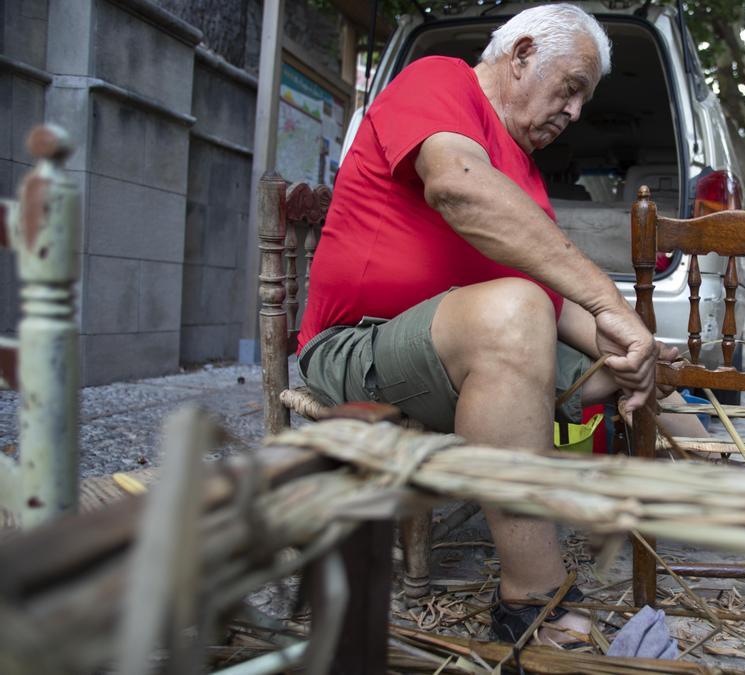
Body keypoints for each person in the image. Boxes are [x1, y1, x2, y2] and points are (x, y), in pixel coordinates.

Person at [296, 4, 702, 645]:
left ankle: (733, 492)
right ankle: (530, 603)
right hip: (358, 346)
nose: (573, 113)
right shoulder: (439, 82)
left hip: (450, 350)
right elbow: (459, 189)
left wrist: (633, 342)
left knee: (628, 360)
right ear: (521, 54)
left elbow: (558, 298)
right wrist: (609, 299)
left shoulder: (523, 172)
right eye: (570, 88)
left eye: (581, 102)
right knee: (514, 311)